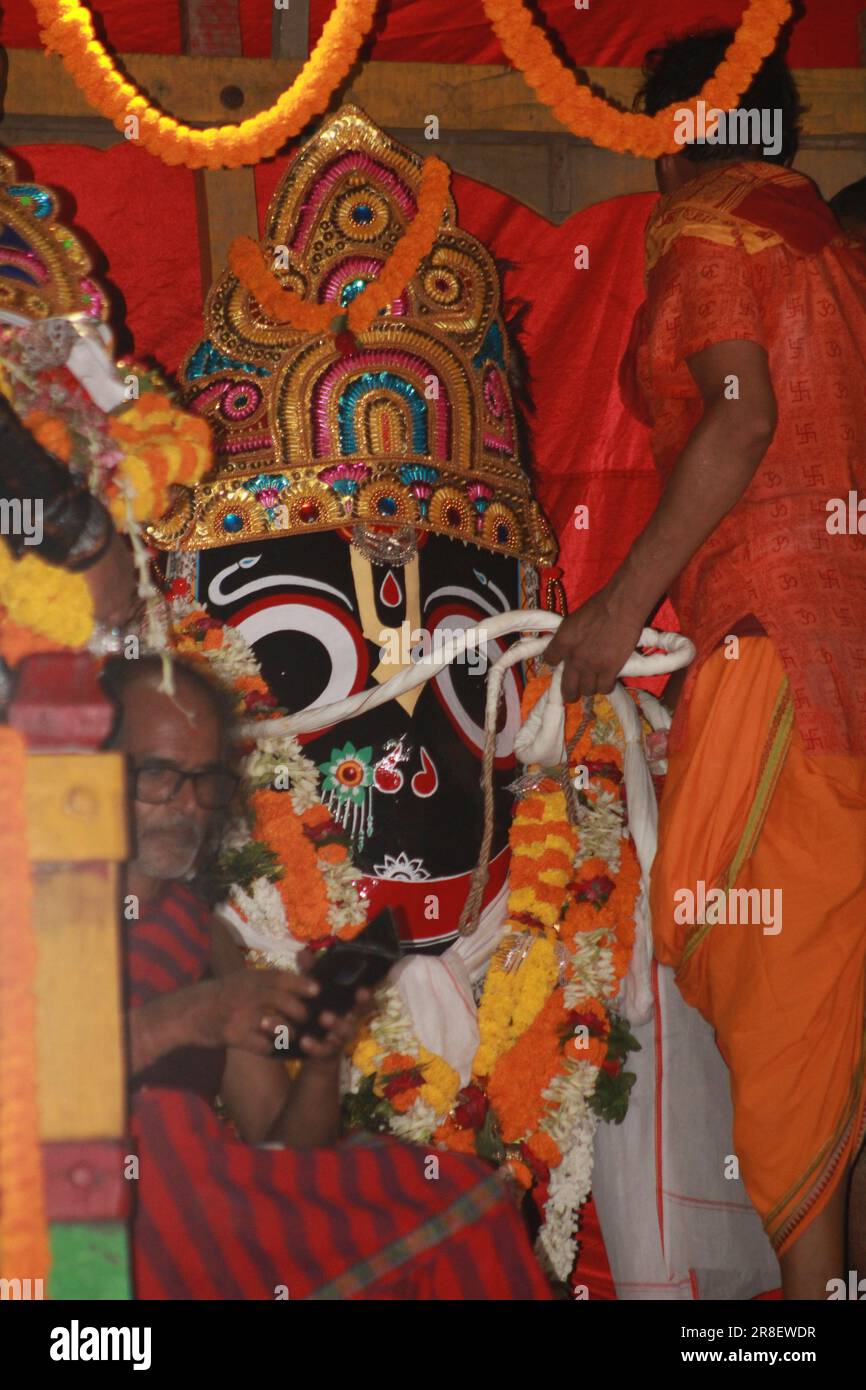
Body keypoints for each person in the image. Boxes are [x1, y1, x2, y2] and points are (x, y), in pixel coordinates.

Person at [545, 29, 866, 1299]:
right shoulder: (834, 255)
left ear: (676, 128)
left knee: (755, 953)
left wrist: (617, 608)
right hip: (836, 657)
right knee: (807, 975)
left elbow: (739, 416)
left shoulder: (711, 225)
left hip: (774, 642)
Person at [103, 653, 551, 1299]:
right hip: (94, 1225)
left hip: (217, 1211)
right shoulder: (33, 902)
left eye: (207, 781)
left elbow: (284, 1152)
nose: (187, 805)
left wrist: (322, 1055)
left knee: (465, 1195)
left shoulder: (203, 935)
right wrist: (191, 1015)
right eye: (158, 775)